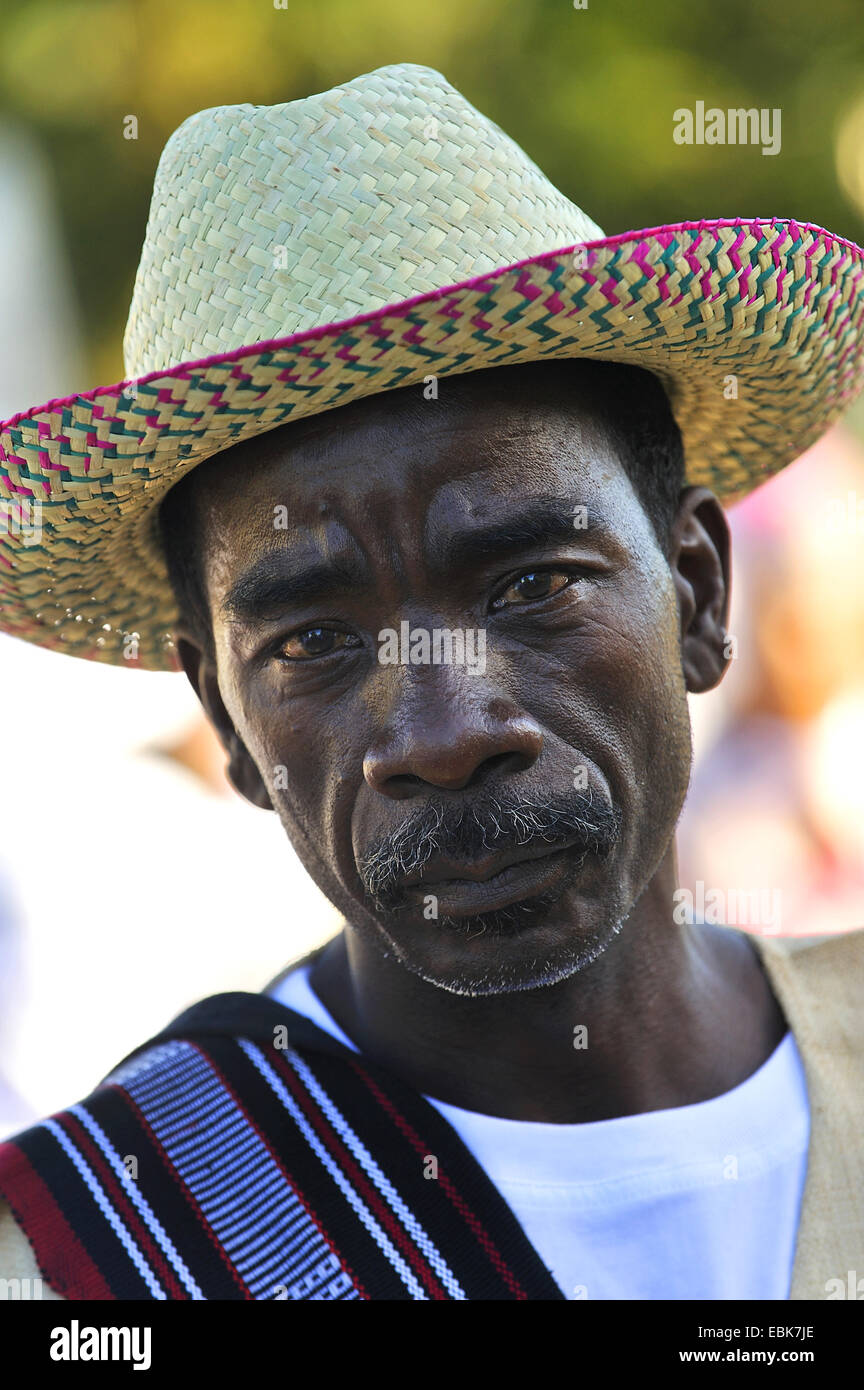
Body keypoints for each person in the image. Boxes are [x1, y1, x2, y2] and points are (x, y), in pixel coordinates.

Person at [0, 63, 862, 1302]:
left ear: (700, 592)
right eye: (313, 642)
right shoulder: (98, 1259)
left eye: (530, 585)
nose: (447, 732)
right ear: (227, 725)